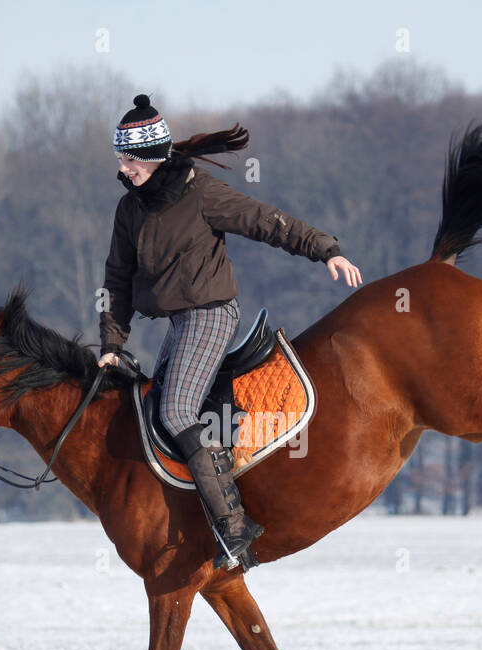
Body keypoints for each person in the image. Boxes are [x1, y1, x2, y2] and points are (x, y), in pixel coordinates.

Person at [97, 93, 362, 571]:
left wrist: (326, 249)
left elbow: (266, 223)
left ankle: (235, 526)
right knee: (156, 410)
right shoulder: (129, 210)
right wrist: (112, 344)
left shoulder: (201, 193)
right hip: (180, 322)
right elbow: (116, 280)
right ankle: (192, 522)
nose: (123, 167)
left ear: (153, 157)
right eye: (120, 158)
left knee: (177, 411)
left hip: (212, 313)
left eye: (129, 159)